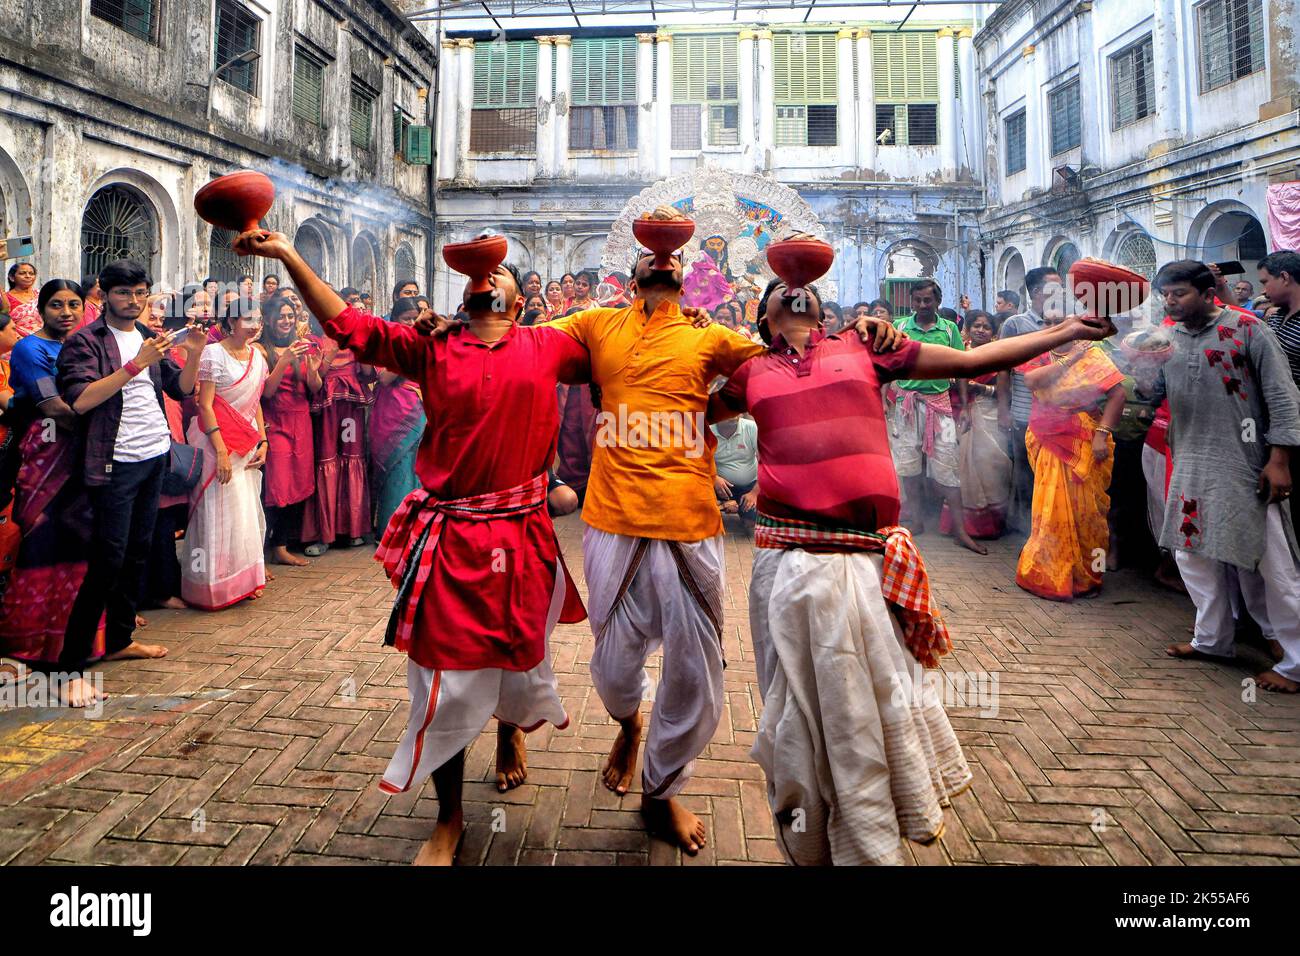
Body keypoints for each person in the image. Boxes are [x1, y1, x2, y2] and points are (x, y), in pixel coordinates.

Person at [712, 275, 1115, 865]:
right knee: (797, 710)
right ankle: (812, 838)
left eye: (807, 287)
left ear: (824, 311)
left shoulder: (866, 347)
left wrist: (1069, 329)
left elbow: (976, 358)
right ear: (764, 315)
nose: (795, 291)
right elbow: (673, 407)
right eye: (781, 288)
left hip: (862, 560)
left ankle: (873, 834)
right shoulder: (749, 372)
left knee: (871, 706)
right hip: (785, 561)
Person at [236, 228, 591, 866]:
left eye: (502, 274)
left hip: (523, 532)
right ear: (463, 296)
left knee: (518, 654)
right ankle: (448, 816)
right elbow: (346, 324)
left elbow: (626, 346)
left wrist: (677, 309)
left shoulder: (551, 345)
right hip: (452, 534)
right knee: (444, 681)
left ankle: (511, 734)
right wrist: (290, 254)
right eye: (479, 276)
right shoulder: (429, 348)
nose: (491, 279)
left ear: (515, 297)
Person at [546, 248, 898, 854]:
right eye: (650, 256)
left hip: (690, 523)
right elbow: (522, 343)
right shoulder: (595, 323)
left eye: (673, 256)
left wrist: (857, 333)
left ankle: (660, 791)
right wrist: (451, 328)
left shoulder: (712, 337)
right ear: (632, 275)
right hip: (612, 519)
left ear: (685, 277)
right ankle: (629, 723)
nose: (661, 261)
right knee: (612, 669)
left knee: (695, 674)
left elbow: (789, 352)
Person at [56, 261, 205, 707]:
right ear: (104, 294)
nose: (135, 301)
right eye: (125, 293)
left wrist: (194, 352)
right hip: (113, 462)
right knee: (107, 558)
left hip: (154, 454)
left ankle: (119, 638)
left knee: (136, 551)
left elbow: (180, 390)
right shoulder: (86, 341)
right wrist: (135, 365)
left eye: (141, 292)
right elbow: (80, 401)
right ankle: (71, 667)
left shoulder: (146, 337)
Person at [1150, 261, 1300, 693]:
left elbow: (1283, 396)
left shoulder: (1250, 330)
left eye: (1179, 293)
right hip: (1191, 459)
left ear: (1206, 291)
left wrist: (1280, 459)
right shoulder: (1168, 338)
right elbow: (1155, 390)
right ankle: (1213, 640)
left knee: (1272, 563)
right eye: (1165, 294)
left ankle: (1295, 663)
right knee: (1191, 554)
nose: (1170, 302)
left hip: (1246, 461)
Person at [0, 281, 105, 675]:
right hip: (45, 454)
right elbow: (53, 405)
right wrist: (105, 425)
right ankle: (29, 642)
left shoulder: (87, 344)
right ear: (41, 310)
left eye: (74, 304)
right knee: (42, 539)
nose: (66, 312)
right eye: (56, 305)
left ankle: (78, 639)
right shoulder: (31, 348)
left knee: (82, 541)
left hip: (84, 455)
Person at [1014, 316, 1126, 601]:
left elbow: (1118, 393)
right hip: (1046, 432)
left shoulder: (1093, 352)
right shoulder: (1040, 351)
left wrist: (1102, 433)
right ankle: (1049, 573)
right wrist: (1070, 358)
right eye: (1050, 321)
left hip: (1083, 434)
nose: (1055, 324)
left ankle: (1087, 575)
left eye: (1062, 319)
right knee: (1050, 508)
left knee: (1087, 510)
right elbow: (1031, 381)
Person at [181, 297, 270, 609]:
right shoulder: (212, 354)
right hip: (214, 443)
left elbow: (256, 402)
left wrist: (263, 441)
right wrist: (220, 451)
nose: (255, 325)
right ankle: (209, 586)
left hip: (245, 444)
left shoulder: (259, 357)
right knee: (214, 513)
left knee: (244, 512)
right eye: (247, 319)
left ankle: (243, 580)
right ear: (231, 323)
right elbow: (204, 405)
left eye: (258, 319)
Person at [888, 280, 985, 553]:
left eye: (927, 300)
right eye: (917, 300)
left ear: (937, 302)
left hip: (940, 406)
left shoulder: (949, 328)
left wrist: (964, 407)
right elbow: (889, 364)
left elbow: (962, 368)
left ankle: (959, 529)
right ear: (911, 301)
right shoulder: (901, 328)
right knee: (908, 465)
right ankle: (916, 521)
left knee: (948, 467)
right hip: (906, 405)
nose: (922, 305)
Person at [302, 297, 375, 557]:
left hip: (351, 407)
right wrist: (329, 354)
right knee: (327, 462)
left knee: (352, 459)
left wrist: (363, 340)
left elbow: (369, 372)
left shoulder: (353, 336)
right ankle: (325, 533)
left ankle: (353, 529)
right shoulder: (312, 340)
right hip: (325, 407)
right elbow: (314, 381)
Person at [998, 267, 1063, 532]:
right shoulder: (1015, 324)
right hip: (1025, 414)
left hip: (1058, 416)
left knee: (1052, 478)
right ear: (1037, 292)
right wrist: (1004, 409)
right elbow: (1003, 368)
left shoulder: (1064, 322)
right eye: (1055, 287)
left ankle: (1048, 530)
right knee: (1025, 474)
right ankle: (1028, 533)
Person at [260, 292, 322, 567]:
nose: (286, 321)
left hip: (301, 420)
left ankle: (283, 543)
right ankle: (272, 544)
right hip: (276, 420)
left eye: (290, 316)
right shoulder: (262, 350)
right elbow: (267, 392)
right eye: (281, 317)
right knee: (277, 484)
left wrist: (313, 371)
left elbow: (315, 388)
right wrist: (284, 360)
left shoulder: (304, 346)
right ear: (269, 320)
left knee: (298, 481)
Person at [940, 310, 1011, 539]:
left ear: (993, 332)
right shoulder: (959, 353)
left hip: (989, 414)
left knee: (990, 464)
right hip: (962, 415)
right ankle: (963, 526)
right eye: (976, 326)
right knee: (961, 467)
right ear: (968, 330)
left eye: (986, 326)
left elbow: (1004, 392)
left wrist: (980, 389)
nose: (981, 330)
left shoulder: (998, 354)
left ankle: (990, 525)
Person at [369, 297, 427, 532]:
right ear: (394, 320)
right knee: (397, 470)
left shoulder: (423, 342)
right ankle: (392, 529)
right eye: (406, 319)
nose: (411, 323)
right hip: (392, 414)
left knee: (417, 469)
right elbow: (383, 377)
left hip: (419, 410)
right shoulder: (386, 342)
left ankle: (416, 525)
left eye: (415, 319)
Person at [1258, 251, 1300, 531]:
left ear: (1284, 277)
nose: (1264, 289)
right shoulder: (1274, 318)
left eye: (1265, 282)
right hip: (1276, 424)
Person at [711, 414, 758, 529]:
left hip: (749, 486)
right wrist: (713, 477)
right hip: (718, 486)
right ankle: (720, 506)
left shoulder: (751, 428)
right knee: (699, 512)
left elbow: (767, 464)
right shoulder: (706, 430)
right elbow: (696, 463)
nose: (734, 414)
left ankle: (734, 507)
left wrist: (754, 493)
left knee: (750, 522)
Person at [6, 262, 39, 336]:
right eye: (22, 273)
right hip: (18, 340)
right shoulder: (5, 298)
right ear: (12, 277)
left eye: (31, 273)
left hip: (46, 339)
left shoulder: (41, 295)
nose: (28, 276)